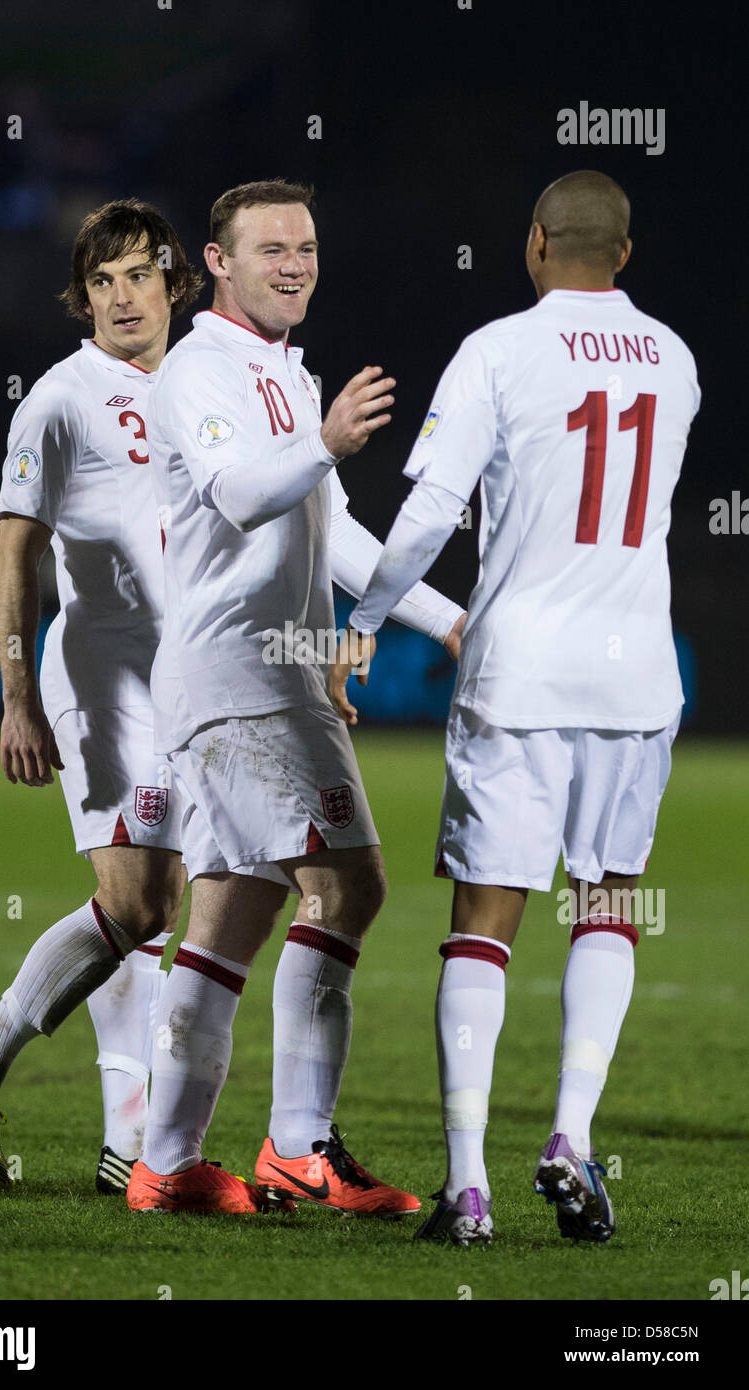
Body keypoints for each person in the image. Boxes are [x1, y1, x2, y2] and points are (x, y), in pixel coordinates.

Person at [331, 170, 700, 1245]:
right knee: (610, 903)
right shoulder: (675, 361)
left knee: (484, 923)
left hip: (522, 673)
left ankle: (467, 1185)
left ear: (535, 242)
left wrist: (370, 613)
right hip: (637, 679)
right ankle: (573, 1139)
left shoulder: (498, 349)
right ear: (623, 254)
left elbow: (433, 507)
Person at [127, 178, 466, 1217]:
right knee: (349, 886)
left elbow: (332, 533)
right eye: (270, 248)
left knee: (236, 908)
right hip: (244, 674)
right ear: (217, 265)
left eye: (307, 246)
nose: (295, 263)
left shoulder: (283, 368)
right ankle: (298, 1147)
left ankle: (168, 1163)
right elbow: (237, 494)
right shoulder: (198, 369)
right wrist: (321, 440)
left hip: (259, 670)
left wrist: (443, 618)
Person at [0, 200, 202, 1193]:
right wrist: (15, 696)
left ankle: (114, 1125)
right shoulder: (58, 399)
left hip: (195, 680)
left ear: (174, 281)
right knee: (136, 900)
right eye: (102, 281)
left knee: (154, 911)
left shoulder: (213, 382)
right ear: (81, 298)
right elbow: (15, 548)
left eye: (138, 274)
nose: (122, 296)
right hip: (98, 676)